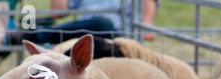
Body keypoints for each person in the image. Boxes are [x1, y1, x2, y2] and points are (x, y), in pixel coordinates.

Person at [23, 0, 159, 45]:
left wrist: (147, 25)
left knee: (102, 24)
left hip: (116, 39)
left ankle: (35, 36)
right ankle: (36, 35)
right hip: (84, 37)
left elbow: (146, 30)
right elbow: (58, 12)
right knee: (95, 26)